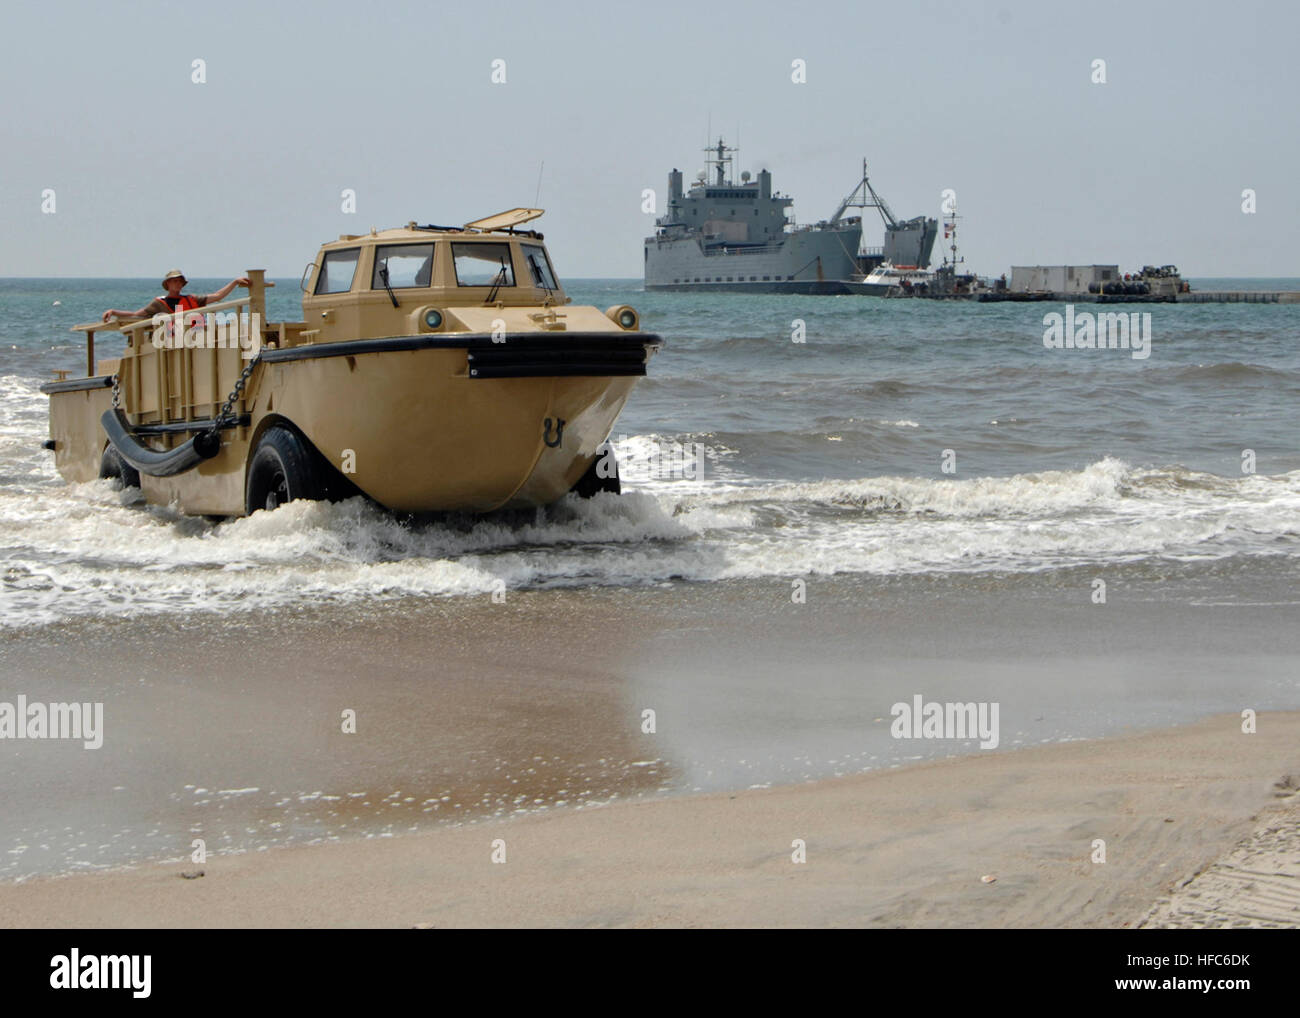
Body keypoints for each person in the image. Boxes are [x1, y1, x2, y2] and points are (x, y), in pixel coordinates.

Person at [101, 270, 251, 322]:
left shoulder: (192, 299)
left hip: (196, 339)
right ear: (168, 284)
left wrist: (235, 282)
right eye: (174, 281)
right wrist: (114, 312)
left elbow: (217, 296)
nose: (177, 284)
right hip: (172, 342)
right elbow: (135, 315)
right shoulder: (159, 303)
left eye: (179, 281)